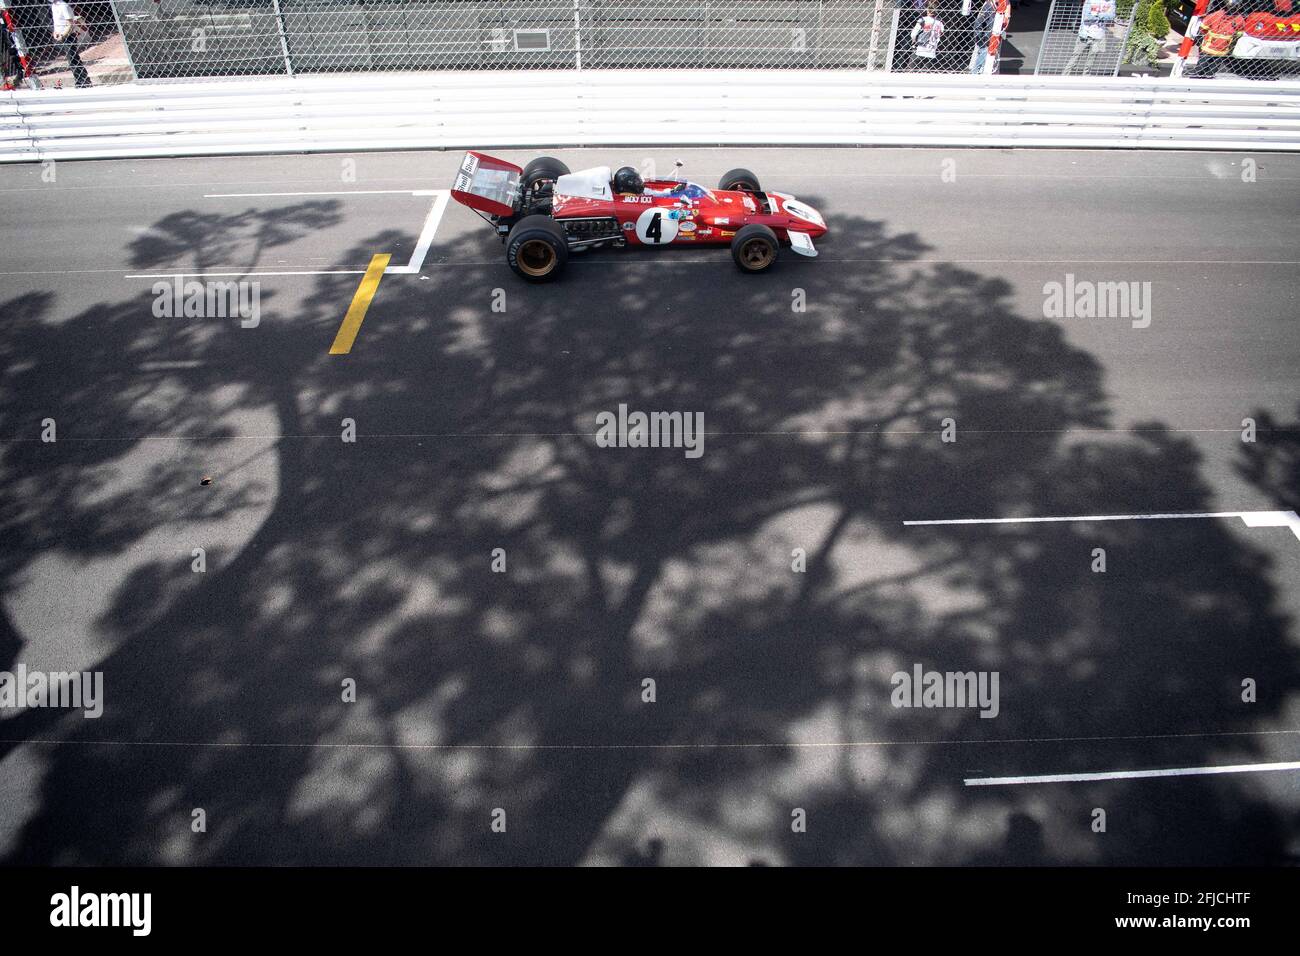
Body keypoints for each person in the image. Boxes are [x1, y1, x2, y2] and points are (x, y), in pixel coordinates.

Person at [1189, 0, 1246, 76]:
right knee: (1203, 69)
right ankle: (1198, 76)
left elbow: (1203, 28)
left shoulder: (1237, 19)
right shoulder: (1218, 16)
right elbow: (1203, 28)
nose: (1232, 9)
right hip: (1212, 49)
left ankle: (1201, 76)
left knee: (1209, 70)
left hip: (1218, 50)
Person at [1064, 0, 1118, 75]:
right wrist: (1103, 15)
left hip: (1099, 35)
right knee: (1075, 56)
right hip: (1085, 34)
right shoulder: (1091, 1)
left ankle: (1085, 78)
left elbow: (1111, 17)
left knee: (1091, 60)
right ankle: (1065, 75)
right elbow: (1087, 17)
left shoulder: (1111, 2)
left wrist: (1097, 15)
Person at [49, 0, 91, 88]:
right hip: (61, 35)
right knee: (73, 59)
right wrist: (55, 32)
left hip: (68, 36)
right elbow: (56, 22)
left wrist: (63, 35)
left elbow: (70, 23)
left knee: (73, 59)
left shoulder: (63, 6)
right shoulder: (54, 6)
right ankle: (83, 80)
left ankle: (81, 81)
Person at [908, 2, 945, 71]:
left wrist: (913, 41)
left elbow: (913, 34)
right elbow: (940, 35)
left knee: (911, 69)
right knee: (925, 72)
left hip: (920, 49)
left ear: (927, 10)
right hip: (931, 50)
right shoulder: (940, 23)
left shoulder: (922, 20)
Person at [971, 0, 996, 73]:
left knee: (984, 58)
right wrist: (981, 37)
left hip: (989, 37)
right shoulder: (988, 6)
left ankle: (980, 72)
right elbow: (978, 23)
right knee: (982, 57)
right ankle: (975, 74)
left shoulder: (995, 6)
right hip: (985, 39)